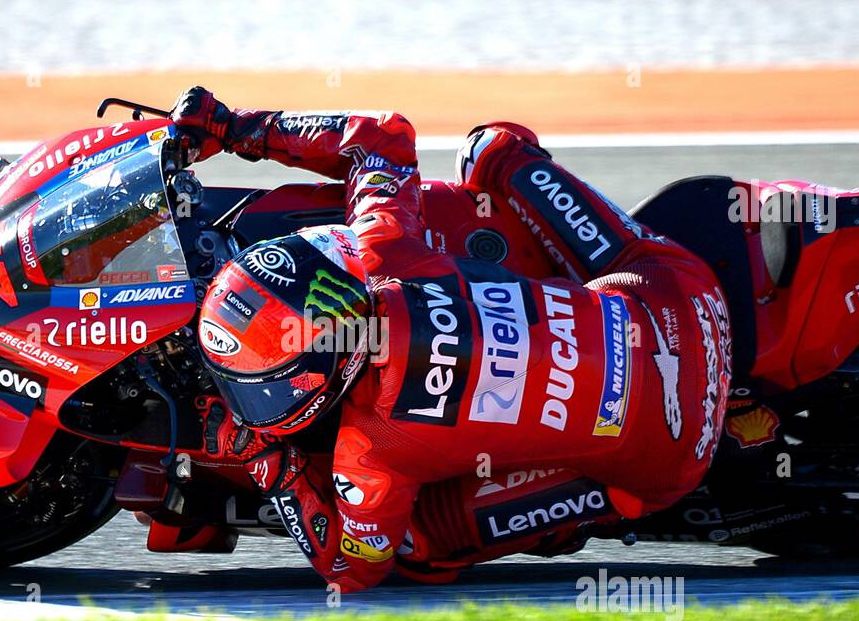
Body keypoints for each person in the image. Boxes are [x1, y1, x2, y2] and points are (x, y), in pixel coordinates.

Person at [172, 86, 731, 592]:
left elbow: (354, 567)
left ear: (332, 369)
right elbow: (381, 136)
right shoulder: (385, 249)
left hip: (674, 458)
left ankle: (588, 515)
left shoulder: (367, 452)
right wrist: (234, 126)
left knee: (418, 551)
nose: (253, 402)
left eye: (268, 388)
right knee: (492, 150)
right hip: (683, 299)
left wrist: (270, 461)